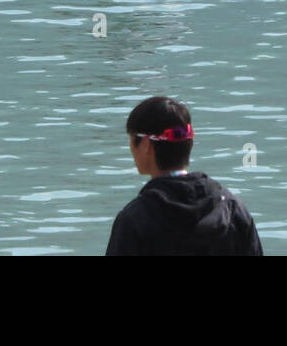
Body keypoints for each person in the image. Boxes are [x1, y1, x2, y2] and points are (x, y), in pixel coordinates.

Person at [105, 96, 263, 256]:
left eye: (131, 139)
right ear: (190, 143)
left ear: (145, 144)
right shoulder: (232, 209)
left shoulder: (134, 220)